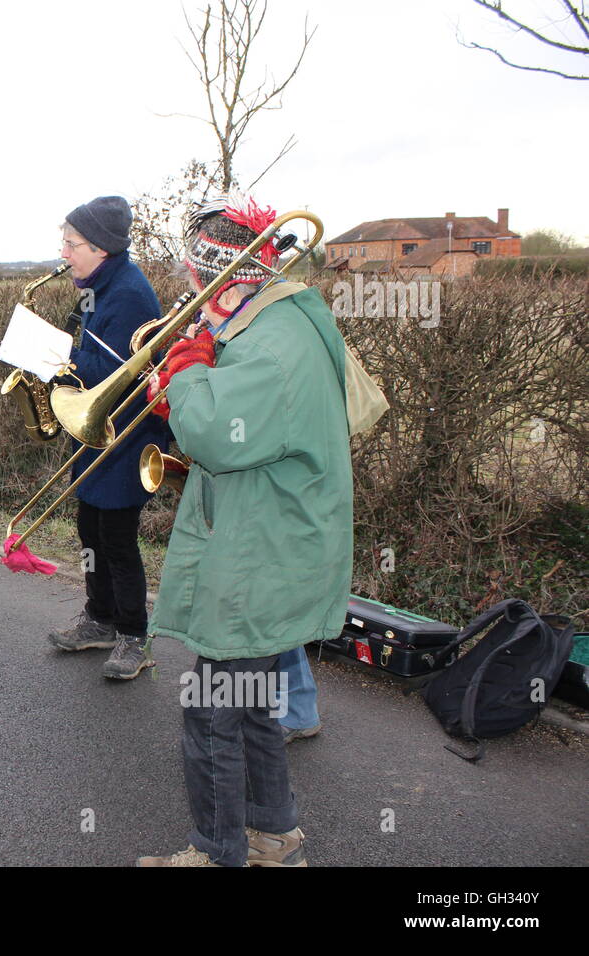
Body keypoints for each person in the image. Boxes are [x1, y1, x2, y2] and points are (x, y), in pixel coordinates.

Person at [137, 195, 352, 866]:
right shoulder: (271, 322)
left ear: (216, 275)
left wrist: (188, 371)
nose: (187, 289)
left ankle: (217, 851)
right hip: (273, 542)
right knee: (254, 704)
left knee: (210, 712)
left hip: (263, 557)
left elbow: (213, 434)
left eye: (192, 276)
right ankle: (275, 836)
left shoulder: (271, 345)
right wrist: (191, 373)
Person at [45, 196, 173, 680]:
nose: (64, 251)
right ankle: (99, 619)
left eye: (71, 243)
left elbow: (119, 378)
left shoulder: (129, 295)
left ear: (100, 248)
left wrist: (58, 361)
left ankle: (134, 638)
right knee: (91, 529)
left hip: (129, 434)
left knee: (117, 538)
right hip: (101, 431)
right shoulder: (98, 284)